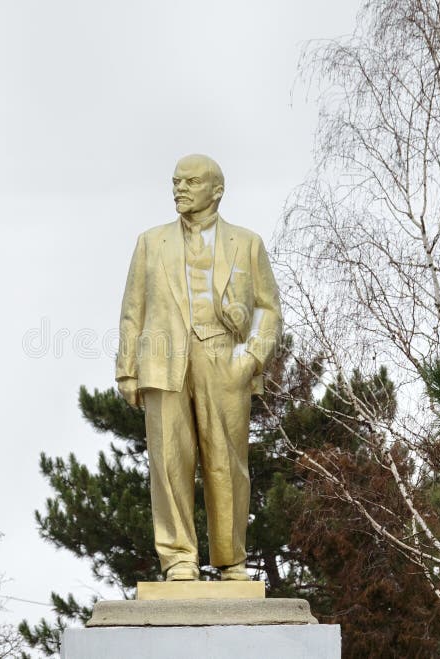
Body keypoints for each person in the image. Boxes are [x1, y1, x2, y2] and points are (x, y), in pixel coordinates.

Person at [115, 154, 282, 581]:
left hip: (224, 361)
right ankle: (178, 560)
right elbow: (133, 310)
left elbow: (269, 309)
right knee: (168, 462)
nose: (180, 189)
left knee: (227, 464)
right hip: (163, 361)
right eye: (175, 182)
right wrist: (127, 369)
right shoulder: (151, 242)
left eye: (190, 182)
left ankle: (231, 561)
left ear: (217, 190)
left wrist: (251, 359)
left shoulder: (247, 243)